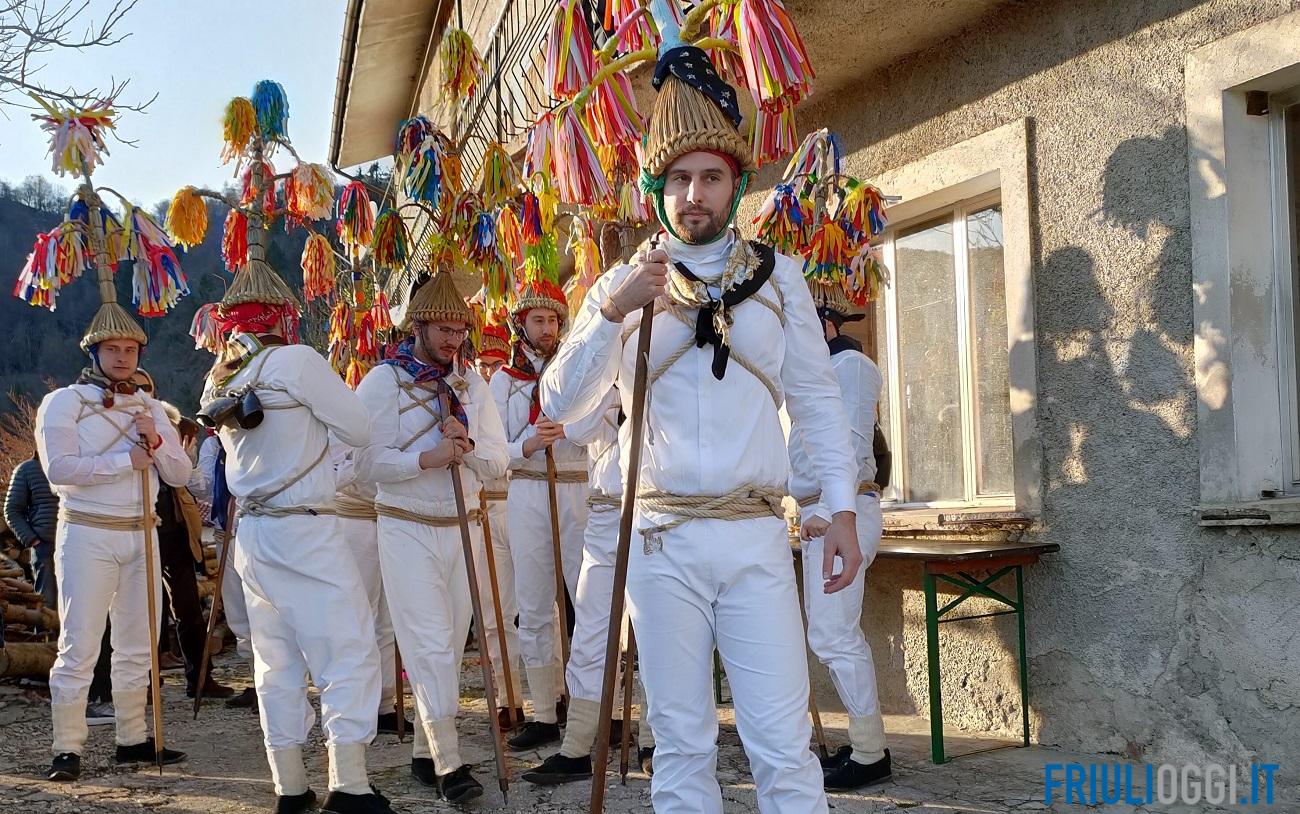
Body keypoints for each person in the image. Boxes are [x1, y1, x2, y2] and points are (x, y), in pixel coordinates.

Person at [539, 43, 861, 814]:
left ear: (735, 184)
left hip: (753, 535)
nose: (694, 195)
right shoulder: (620, 284)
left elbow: (818, 401)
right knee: (681, 742)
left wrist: (844, 509)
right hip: (660, 541)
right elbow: (563, 406)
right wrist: (614, 313)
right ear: (658, 189)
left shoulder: (779, 276)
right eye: (678, 179)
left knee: (782, 742)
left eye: (710, 177)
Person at [201, 260, 389, 814]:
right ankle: (350, 785)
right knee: (349, 651)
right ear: (283, 317)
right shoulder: (296, 361)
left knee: (274, 661)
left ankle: (290, 788)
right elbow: (358, 427)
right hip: (304, 526)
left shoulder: (219, 376)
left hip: (253, 534)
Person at [355, 269, 509, 804]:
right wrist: (427, 458)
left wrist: (466, 445)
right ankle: (450, 766)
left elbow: (499, 462)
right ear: (416, 326)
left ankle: (425, 754)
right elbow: (365, 465)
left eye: (459, 330)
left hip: (462, 526)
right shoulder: (381, 382)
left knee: (447, 644)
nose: (453, 339)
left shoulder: (471, 385)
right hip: (406, 526)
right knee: (427, 646)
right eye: (442, 328)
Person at [37, 301, 193, 782]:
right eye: (113, 349)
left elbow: (181, 473)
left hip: (142, 532)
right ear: (95, 351)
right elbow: (59, 471)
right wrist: (127, 460)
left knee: (138, 644)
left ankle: (133, 737)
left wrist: (158, 442)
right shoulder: (64, 402)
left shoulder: (148, 405)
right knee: (80, 642)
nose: (124, 357)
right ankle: (67, 747)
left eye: (131, 349)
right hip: (87, 531)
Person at [522, 387, 657, 784]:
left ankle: (655, 740)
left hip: (654, 510)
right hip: (602, 512)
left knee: (653, 629)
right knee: (591, 631)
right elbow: (576, 428)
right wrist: (607, 393)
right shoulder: (597, 375)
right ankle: (579, 745)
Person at [490, 277, 601, 751]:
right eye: (538, 320)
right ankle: (542, 712)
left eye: (554, 319)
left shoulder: (579, 373)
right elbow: (493, 449)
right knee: (535, 606)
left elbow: (601, 424)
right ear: (522, 324)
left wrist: (572, 427)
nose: (548, 328)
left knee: (590, 602)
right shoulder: (504, 381)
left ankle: (593, 707)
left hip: (578, 489)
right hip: (529, 491)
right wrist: (528, 445)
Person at [788, 284, 891, 789]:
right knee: (829, 633)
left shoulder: (849, 366)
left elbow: (848, 443)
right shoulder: (814, 372)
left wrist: (830, 511)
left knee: (832, 634)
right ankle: (866, 742)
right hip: (823, 514)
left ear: (824, 325)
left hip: (844, 511)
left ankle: (872, 753)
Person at [131, 370, 234, 702]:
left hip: (174, 526)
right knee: (145, 608)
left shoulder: (170, 425)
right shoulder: (114, 425)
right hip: (138, 526)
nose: (141, 392)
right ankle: (146, 681)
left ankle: (201, 677)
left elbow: (183, 477)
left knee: (188, 606)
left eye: (146, 387)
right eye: (135, 387)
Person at [472, 321, 523, 729]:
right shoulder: (469, 395)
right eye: (482, 364)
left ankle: (556, 694)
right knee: (494, 612)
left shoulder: (510, 392)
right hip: (484, 508)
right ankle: (509, 698)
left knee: (541, 607)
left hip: (521, 503)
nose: (489, 371)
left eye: (495, 363)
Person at [4, 452, 59, 617]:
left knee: (79, 599)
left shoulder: (73, 465)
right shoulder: (26, 470)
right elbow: (11, 510)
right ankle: (43, 640)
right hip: (45, 544)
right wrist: (33, 539)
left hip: (77, 543)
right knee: (46, 600)